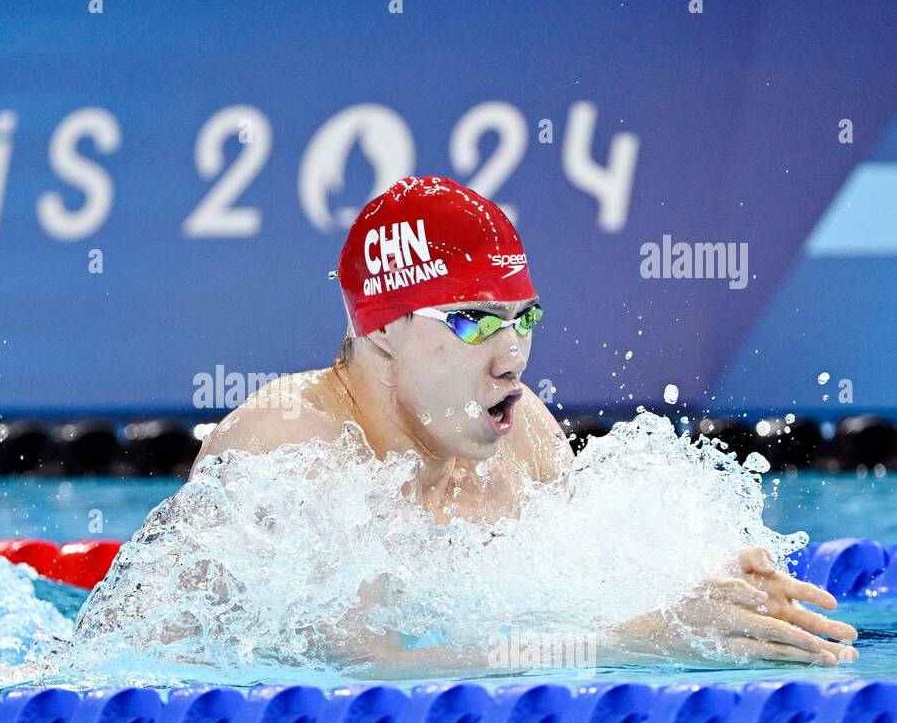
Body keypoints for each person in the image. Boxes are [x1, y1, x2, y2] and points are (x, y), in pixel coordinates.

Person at [193, 175, 857, 671]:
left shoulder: (521, 432)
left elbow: (576, 592)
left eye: (523, 319)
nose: (511, 358)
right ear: (387, 328)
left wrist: (710, 593)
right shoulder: (291, 449)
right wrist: (641, 639)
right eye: (474, 320)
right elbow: (369, 670)